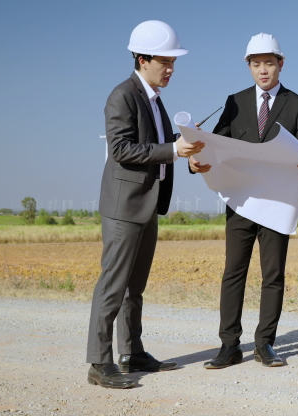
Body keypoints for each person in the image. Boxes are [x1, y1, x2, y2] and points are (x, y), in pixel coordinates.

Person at [191, 33, 298, 369]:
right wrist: (195, 155)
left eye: (269, 63)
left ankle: (265, 344)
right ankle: (229, 346)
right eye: (256, 64)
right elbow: (215, 142)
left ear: (281, 64)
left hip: (278, 202)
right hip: (240, 199)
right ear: (248, 66)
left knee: (273, 275)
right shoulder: (234, 101)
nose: (263, 70)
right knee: (233, 272)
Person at [86, 20, 204, 389]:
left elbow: (156, 143)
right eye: (164, 61)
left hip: (149, 204)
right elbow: (121, 149)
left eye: (173, 62)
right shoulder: (122, 96)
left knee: (135, 286)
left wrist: (186, 147)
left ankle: (132, 351)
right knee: (113, 284)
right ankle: (99, 362)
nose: (170, 69)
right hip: (124, 207)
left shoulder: (154, 99)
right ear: (142, 59)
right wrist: (172, 150)